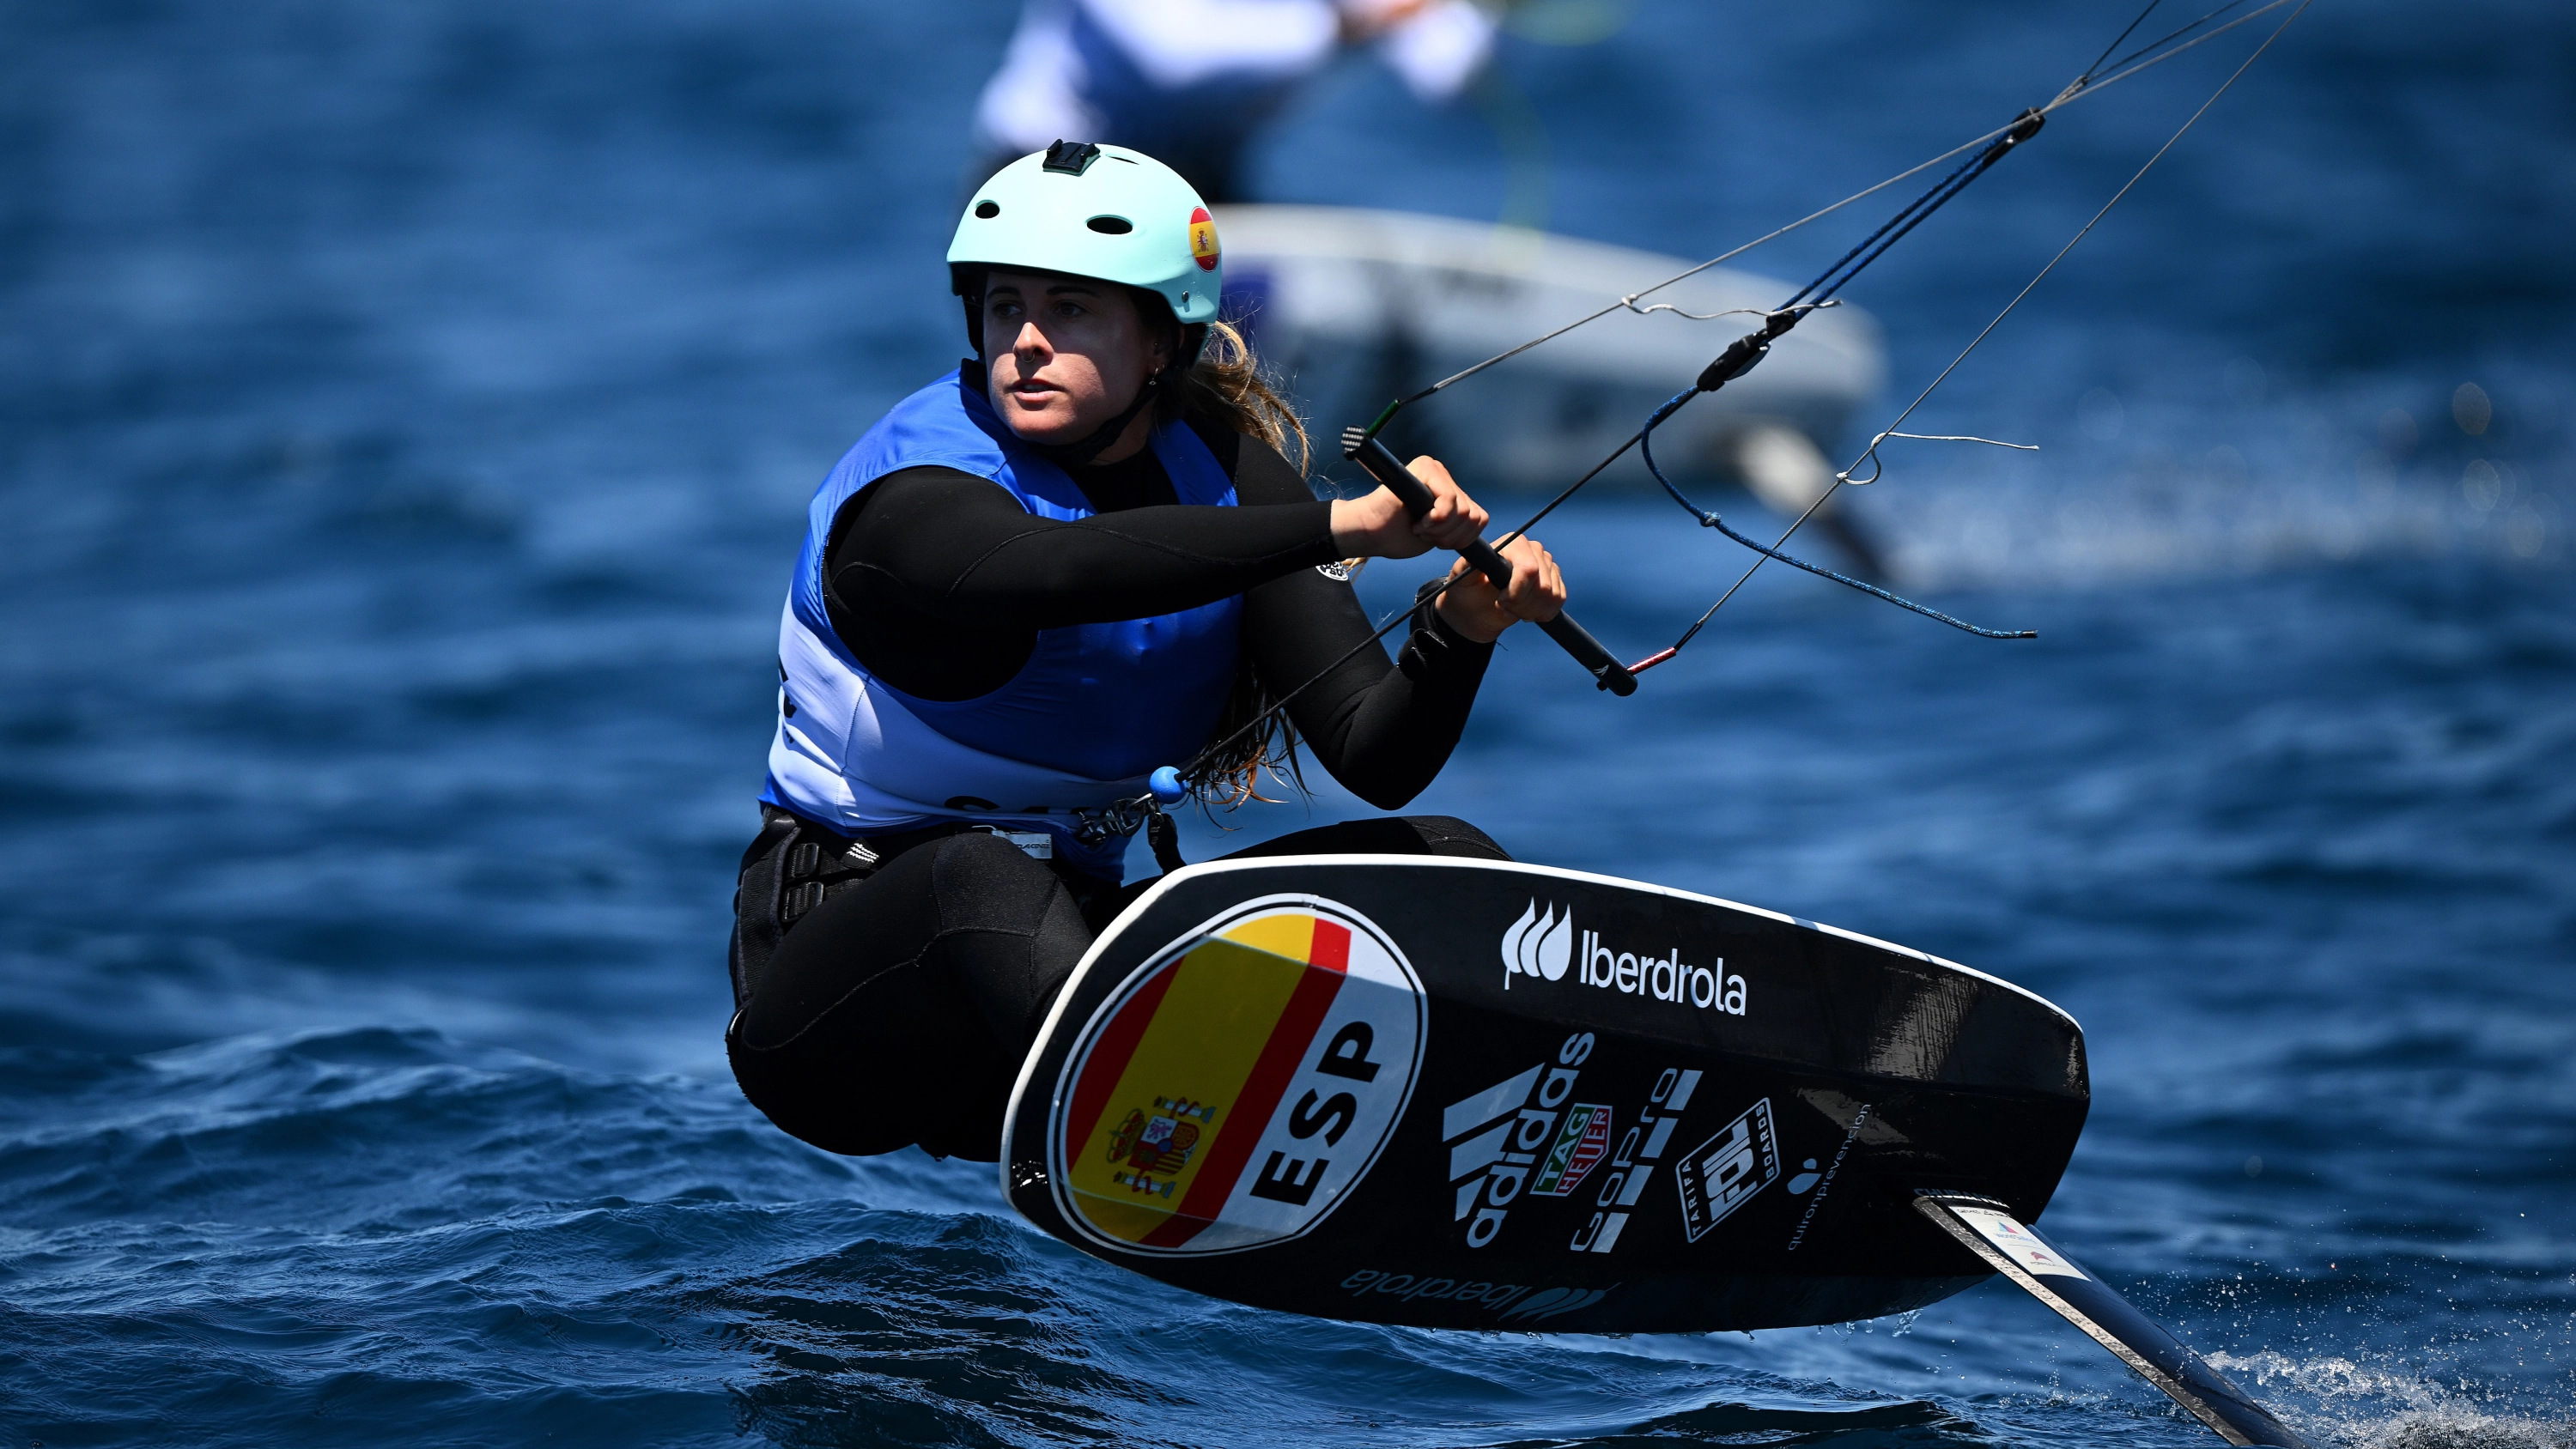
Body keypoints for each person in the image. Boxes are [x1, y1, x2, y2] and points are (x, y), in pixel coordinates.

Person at [726, 142, 1565, 1162]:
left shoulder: (1226, 480)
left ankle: (1487, 1152)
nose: (1026, 342)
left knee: (1445, 864)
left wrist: (1461, 629)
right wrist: (1340, 528)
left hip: (1067, 994)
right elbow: (1056, 569)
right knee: (977, 878)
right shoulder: (913, 500)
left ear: (1162, 340)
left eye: (1071, 308)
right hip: (847, 1020)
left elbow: (1375, 753)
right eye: (1003, 307)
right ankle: (1184, 1145)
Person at [969, 0, 1495, 203]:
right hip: (1052, 172)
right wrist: (1346, 27)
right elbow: (1173, 57)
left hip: (1199, 185)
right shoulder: (1334, 24)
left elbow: (1444, 72)